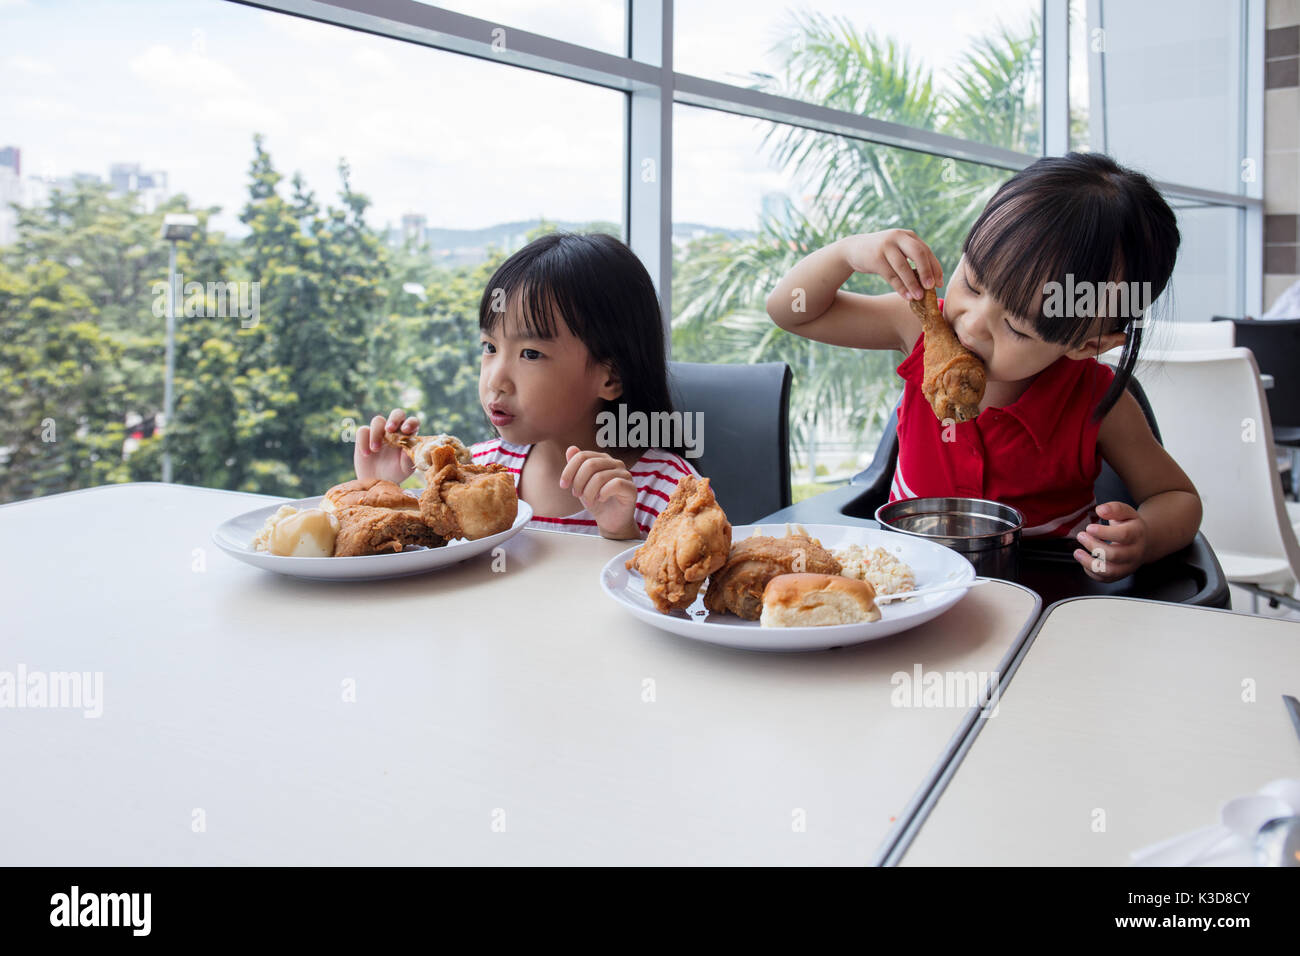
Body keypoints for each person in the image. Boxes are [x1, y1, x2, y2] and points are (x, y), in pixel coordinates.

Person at [766, 152, 1202, 583]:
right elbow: (792, 312)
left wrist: (1143, 538)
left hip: (1044, 592)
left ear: (1085, 345)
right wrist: (848, 253)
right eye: (972, 283)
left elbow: (1176, 496)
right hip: (908, 578)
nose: (971, 324)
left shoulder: (1098, 402)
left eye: (1015, 326)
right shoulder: (918, 325)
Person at [354, 232, 697, 539]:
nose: (495, 380)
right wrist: (379, 488)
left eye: (530, 353)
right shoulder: (476, 471)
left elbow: (690, 601)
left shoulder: (671, 492)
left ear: (610, 377)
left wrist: (622, 533)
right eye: (489, 347)